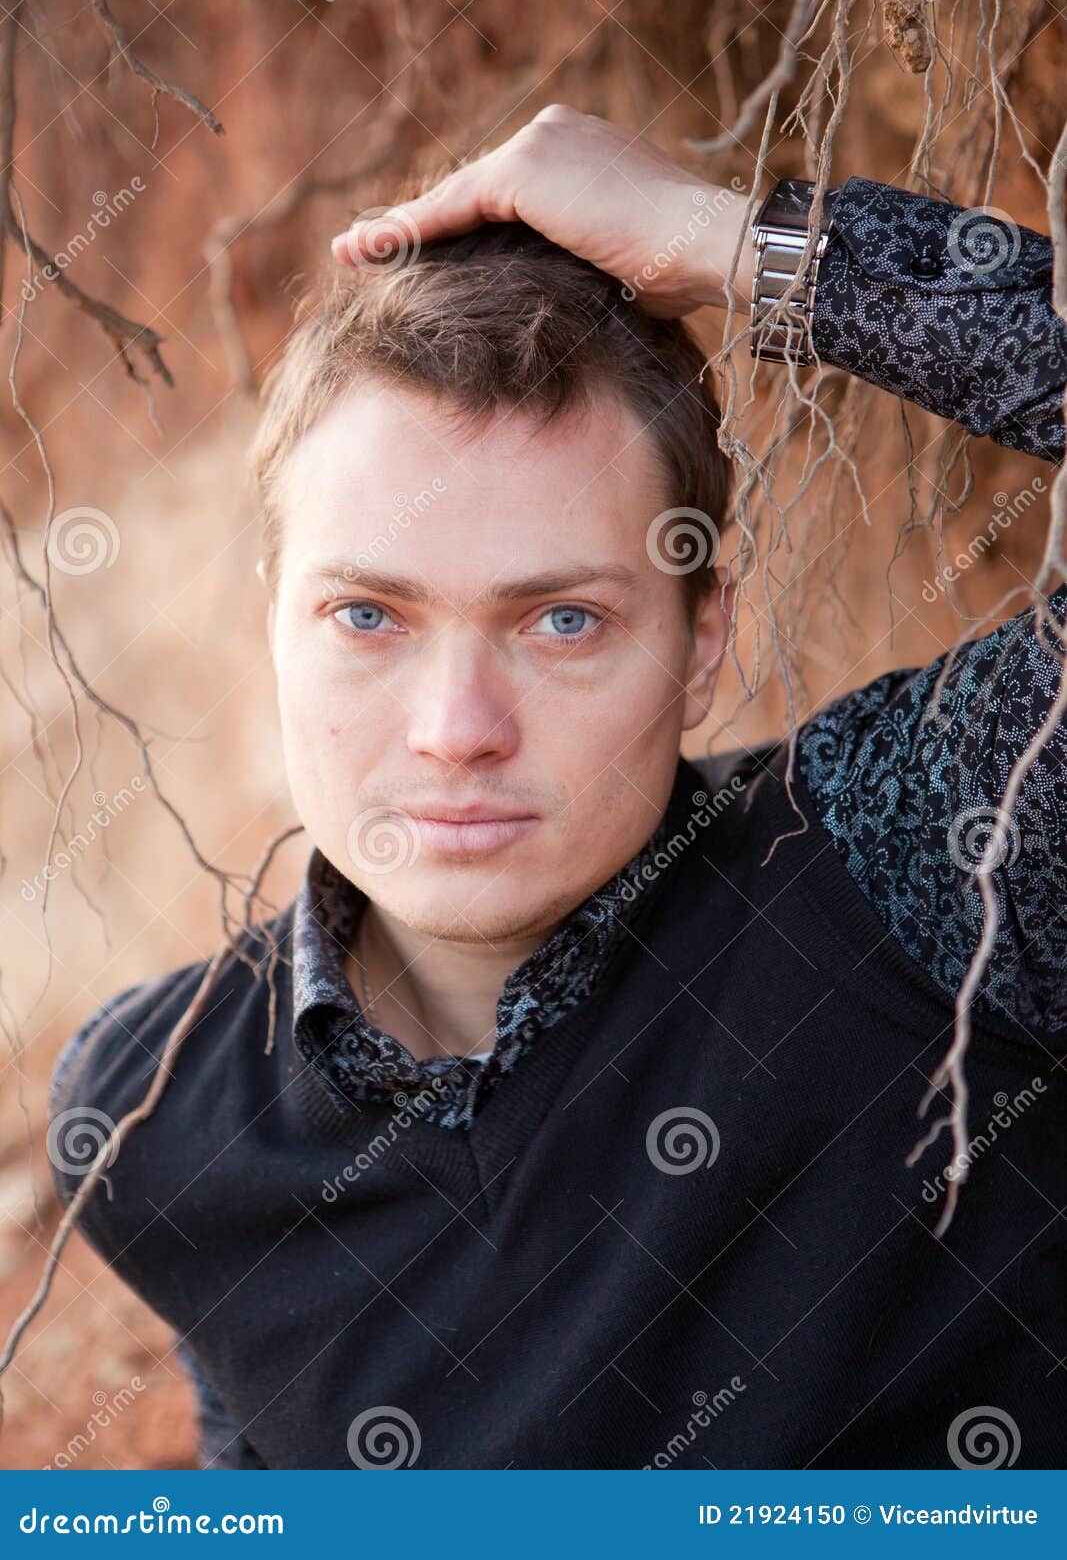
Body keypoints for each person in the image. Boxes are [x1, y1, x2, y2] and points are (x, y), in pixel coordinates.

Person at [47, 107, 1065, 1470]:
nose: (458, 730)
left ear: (702, 644)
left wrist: (745, 245)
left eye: (563, 621)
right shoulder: (155, 1106)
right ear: (271, 629)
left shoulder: (919, 859)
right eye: (367, 615)